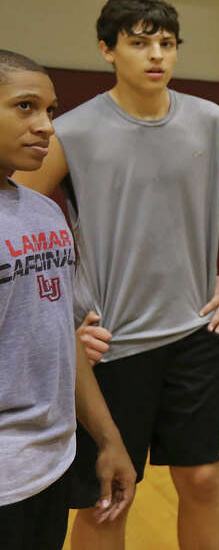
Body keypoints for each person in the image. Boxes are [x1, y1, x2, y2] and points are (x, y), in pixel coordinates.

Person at [15, 0, 219, 550]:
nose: (156, 55)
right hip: (112, 346)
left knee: (202, 478)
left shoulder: (208, 119)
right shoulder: (72, 132)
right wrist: (64, 325)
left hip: (194, 335)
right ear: (107, 49)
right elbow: (20, 229)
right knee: (110, 499)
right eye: (139, 42)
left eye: (167, 43)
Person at [0, 51, 136, 549]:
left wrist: (108, 439)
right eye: (25, 107)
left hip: (51, 467)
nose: (46, 127)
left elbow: (63, 337)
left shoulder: (45, 214)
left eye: (50, 111)